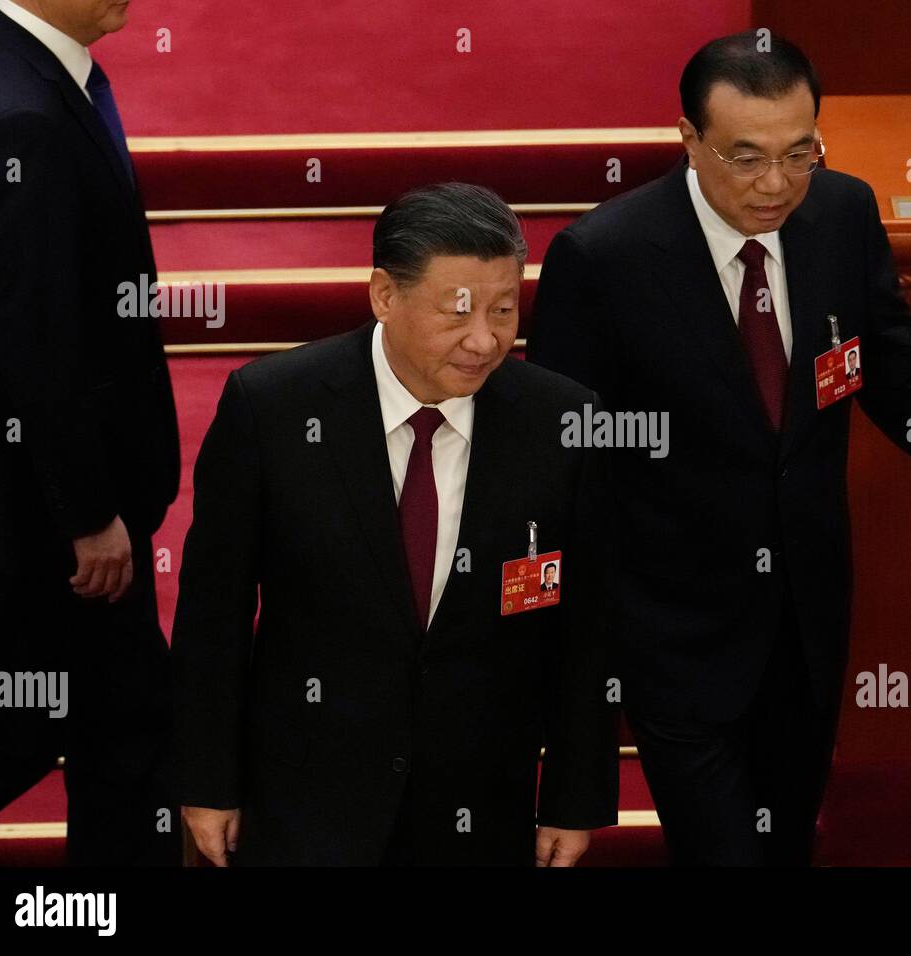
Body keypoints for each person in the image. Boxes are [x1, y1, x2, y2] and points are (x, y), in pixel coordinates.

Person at [528, 32, 911, 866]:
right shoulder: (604, 260)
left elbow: (904, 380)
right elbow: (563, 467)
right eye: (745, 158)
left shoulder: (841, 213)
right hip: (674, 633)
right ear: (689, 141)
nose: (776, 185)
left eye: (799, 152)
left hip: (805, 618)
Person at [172, 183, 618, 867]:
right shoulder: (274, 409)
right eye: (459, 312)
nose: (486, 339)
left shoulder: (561, 422)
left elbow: (582, 629)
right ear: (385, 295)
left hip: (479, 806)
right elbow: (215, 616)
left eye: (505, 309)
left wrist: (572, 797)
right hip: (308, 800)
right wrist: (207, 781)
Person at [0, 0, 181, 865]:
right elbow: (36, 335)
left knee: (123, 733)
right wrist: (87, 513)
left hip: (29, 497)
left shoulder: (21, 72)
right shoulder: (20, 112)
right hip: (41, 517)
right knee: (36, 722)